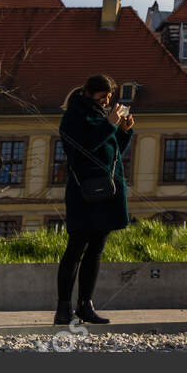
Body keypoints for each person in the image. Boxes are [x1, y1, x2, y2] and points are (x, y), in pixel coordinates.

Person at [55, 74, 134, 325]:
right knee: (75, 249)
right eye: (103, 96)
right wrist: (109, 125)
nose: (107, 101)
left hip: (107, 192)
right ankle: (64, 308)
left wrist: (123, 132)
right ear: (88, 93)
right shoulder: (73, 117)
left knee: (96, 250)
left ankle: (85, 305)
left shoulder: (101, 116)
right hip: (84, 192)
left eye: (109, 97)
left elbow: (111, 153)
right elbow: (83, 149)